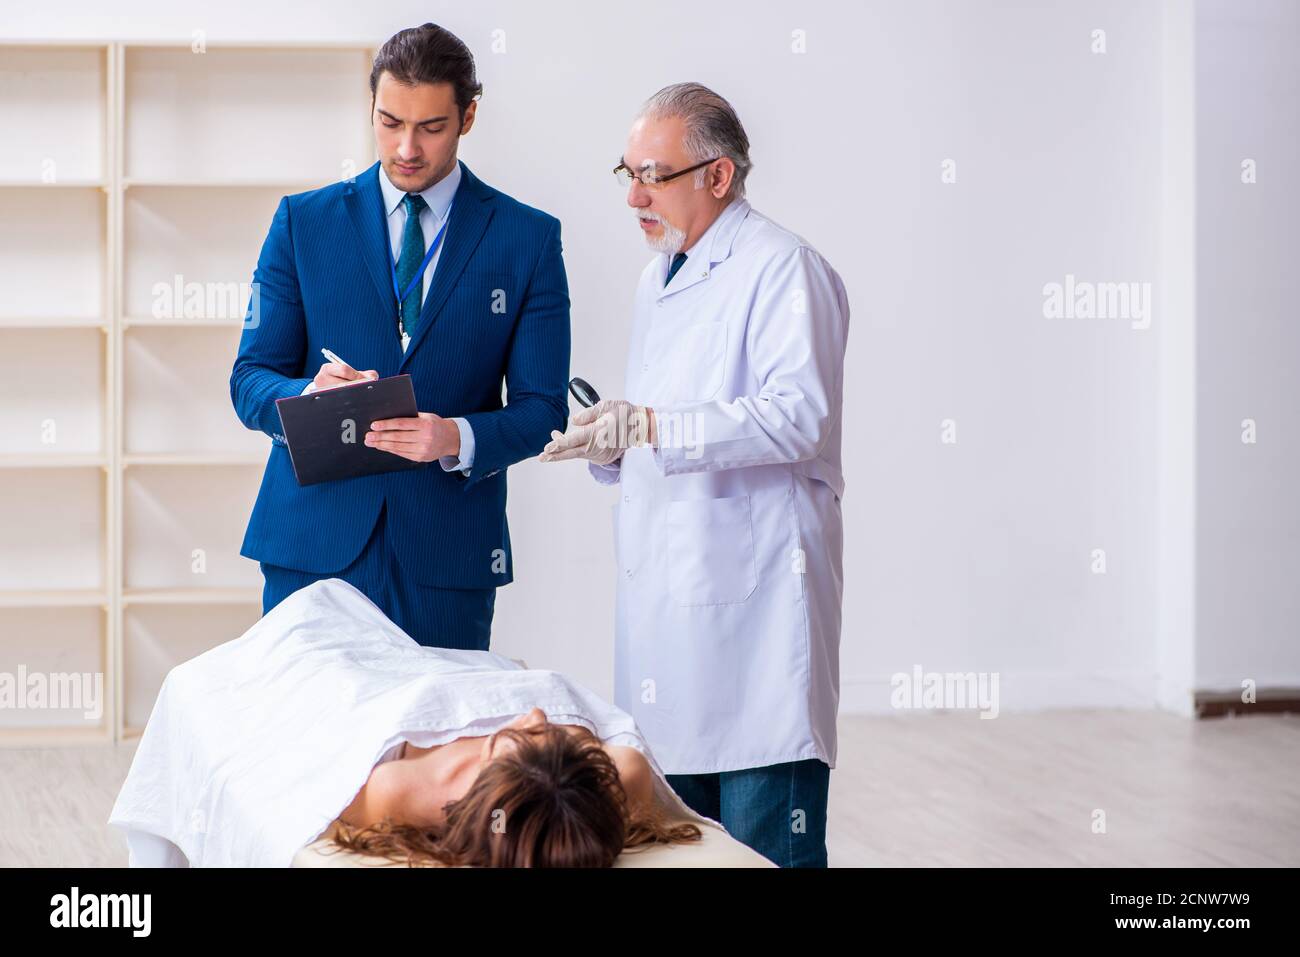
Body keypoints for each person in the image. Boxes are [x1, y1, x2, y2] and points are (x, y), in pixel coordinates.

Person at [540, 82, 850, 867]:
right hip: (668, 631)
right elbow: (671, 426)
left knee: (764, 848)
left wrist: (650, 426)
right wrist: (615, 443)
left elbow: (797, 416)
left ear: (718, 175)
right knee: (683, 851)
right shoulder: (662, 277)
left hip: (755, 635)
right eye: (627, 172)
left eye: (655, 174)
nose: (634, 196)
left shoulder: (785, 268)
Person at [230, 22, 570, 650]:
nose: (407, 147)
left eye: (431, 127)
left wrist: (456, 436)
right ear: (372, 108)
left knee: (439, 745)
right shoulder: (302, 222)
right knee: (305, 738)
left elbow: (544, 409)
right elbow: (248, 378)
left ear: (468, 117)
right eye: (389, 122)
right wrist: (307, 393)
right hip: (312, 544)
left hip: (445, 555)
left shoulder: (527, 239)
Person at [108, 579, 703, 868]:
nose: (537, 712)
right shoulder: (621, 775)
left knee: (231, 669)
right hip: (431, 678)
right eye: (559, 737)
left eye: (525, 736)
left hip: (353, 690)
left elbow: (321, 743)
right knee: (330, 603)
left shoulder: (398, 791)